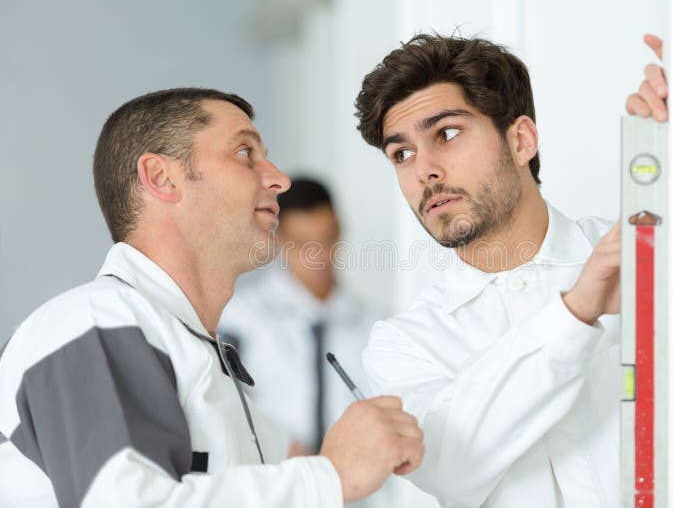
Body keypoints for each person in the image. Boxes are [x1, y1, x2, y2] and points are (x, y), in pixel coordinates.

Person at [0, 88, 425, 508]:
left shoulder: (241, 408)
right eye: (245, 152)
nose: (280, 178)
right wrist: (330, 476)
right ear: (162, 178)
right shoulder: (89, 324)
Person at [354, 34, 668, 508]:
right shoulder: (403, 344)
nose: (425, 170)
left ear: (521, 140)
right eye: (402, 153)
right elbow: (452, 461)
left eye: (448, 133)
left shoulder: (651, 254)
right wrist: (575, 314)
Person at [219, 177, 441, 508]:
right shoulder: (238, 319)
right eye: (304, 244)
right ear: (279, 240)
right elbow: (222, 408)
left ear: (340, 231)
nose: (319, 257)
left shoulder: (377, 327)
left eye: (327, 241)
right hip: (275, 493)